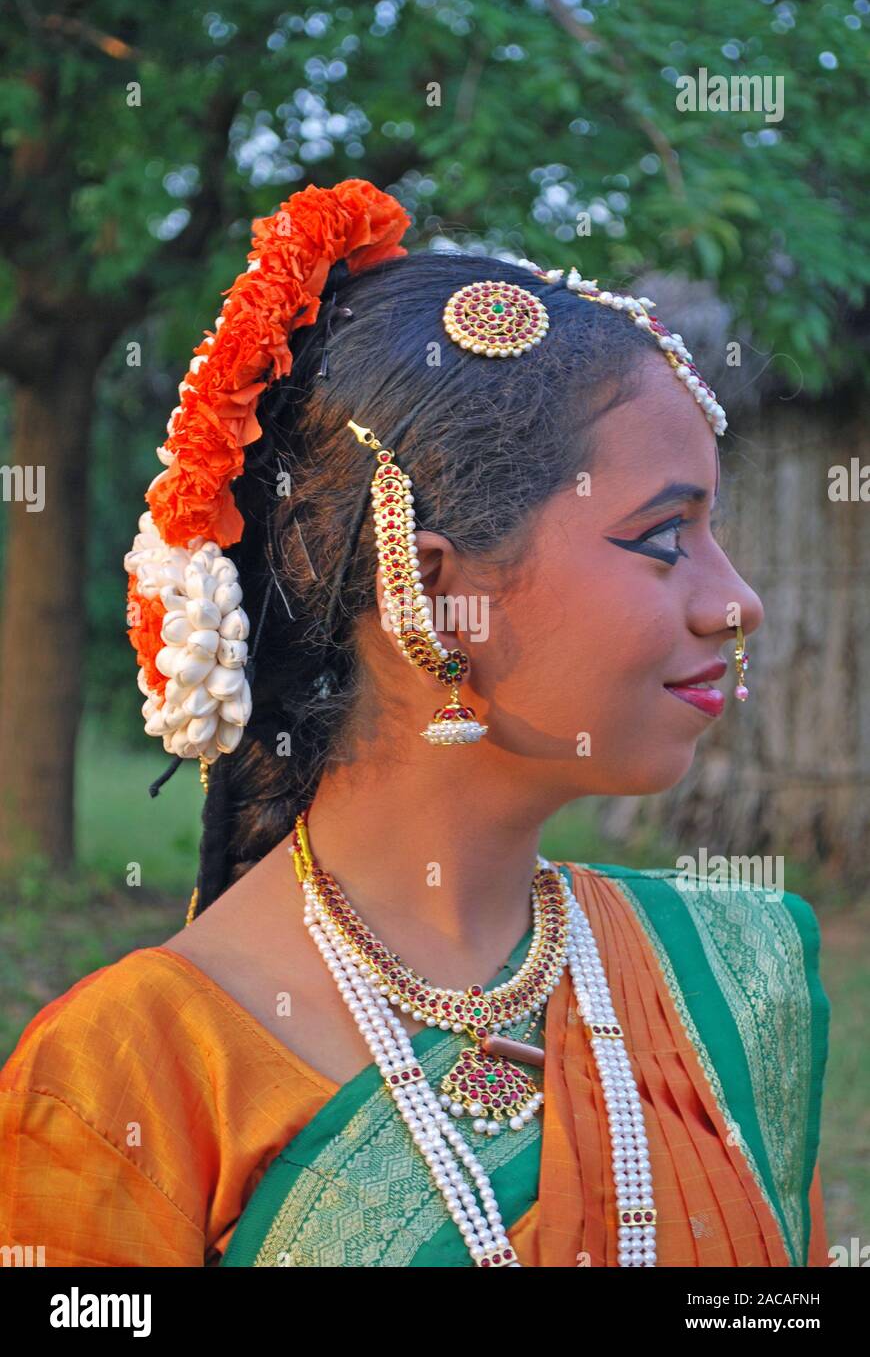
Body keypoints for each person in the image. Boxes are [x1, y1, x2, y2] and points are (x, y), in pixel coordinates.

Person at [0, 178, 829, 1268]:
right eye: (665, 539)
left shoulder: (740, 971)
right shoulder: (129, 1078)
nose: (738, 603)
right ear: (433, 596)